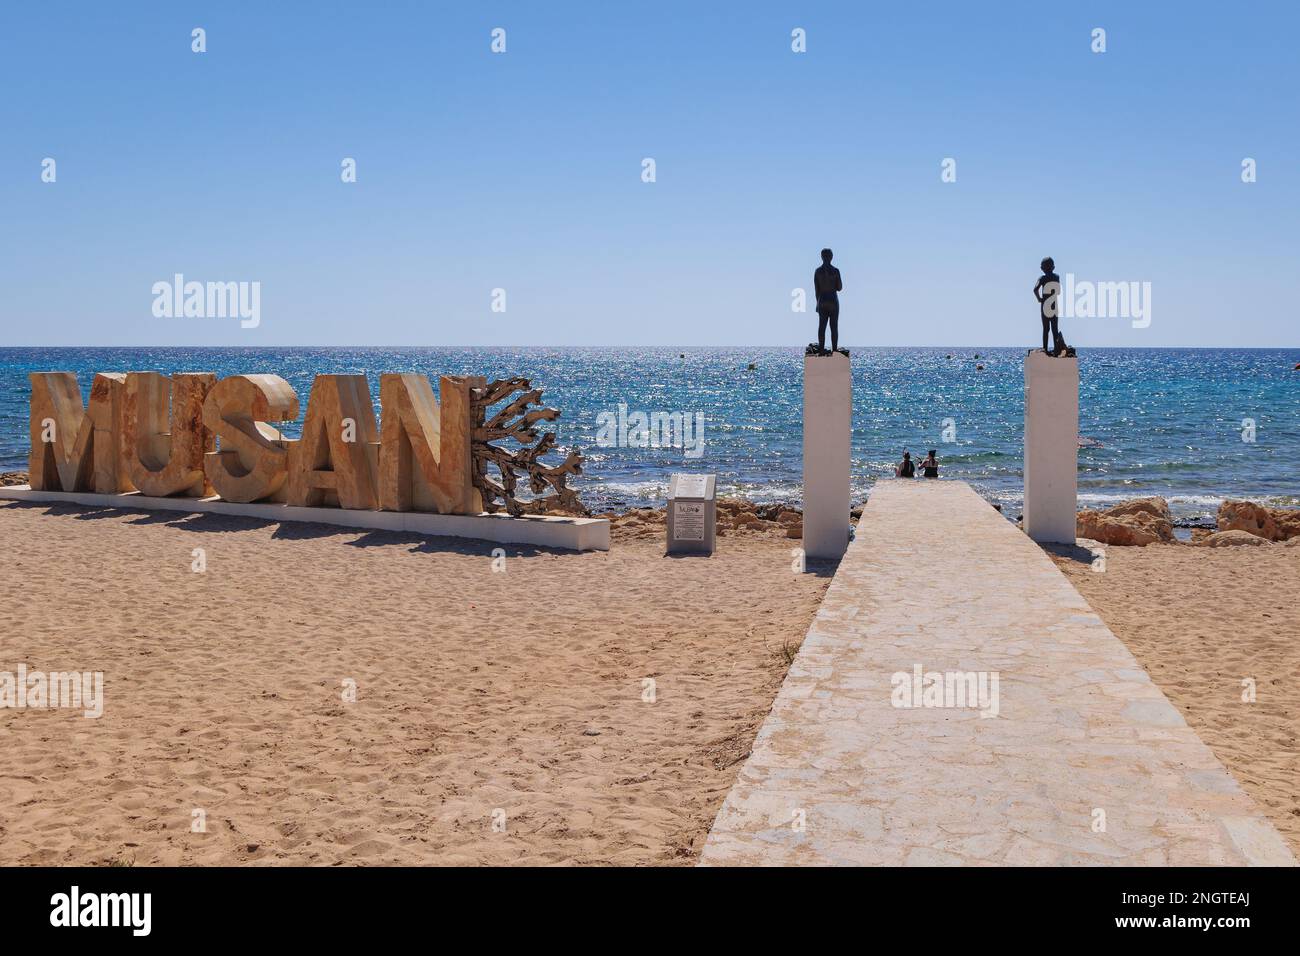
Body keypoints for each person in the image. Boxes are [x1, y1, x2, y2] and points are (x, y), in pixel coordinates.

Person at [1033, 257, 1067, 356]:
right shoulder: (1057, 277)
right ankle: (1057, 349)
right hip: (1054, 305)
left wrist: (1039, 299)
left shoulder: (1042, 278)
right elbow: (1059, 291)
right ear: (1053, 267)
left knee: (1046, 329)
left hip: (1045, 306)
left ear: (1042, 268)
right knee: (1054, 329)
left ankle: (1045, 349)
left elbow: (1035, 289)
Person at [814, 248, 843, 354]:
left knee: (822, 325)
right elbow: (839, 287)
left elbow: (817, 290)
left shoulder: (818, 271)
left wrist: (817, 304)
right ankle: (834, 349)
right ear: (831, 257)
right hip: (833, 300)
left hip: (822, 300)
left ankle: (821, 348)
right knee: (834, 326)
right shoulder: (835, 271)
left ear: (821, 257)